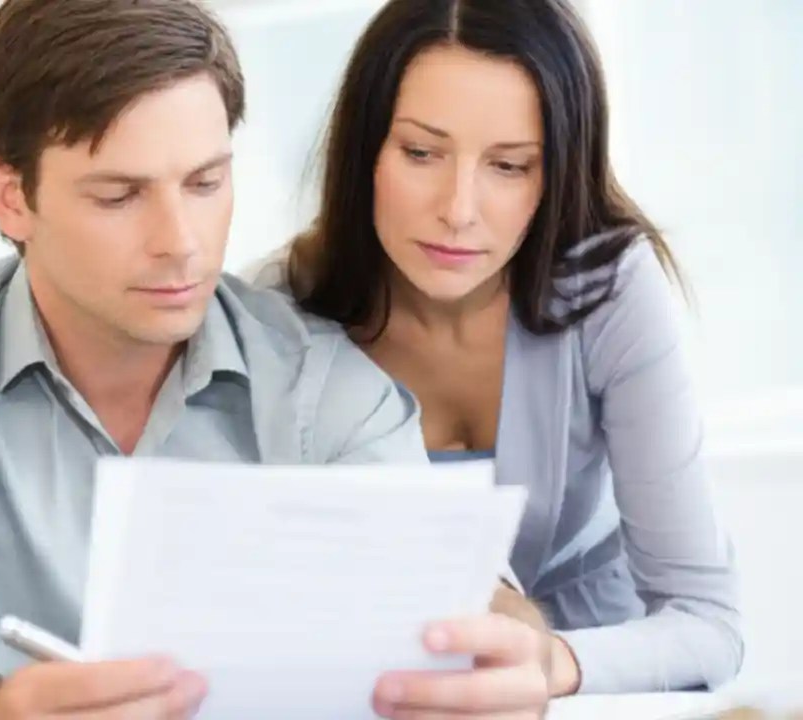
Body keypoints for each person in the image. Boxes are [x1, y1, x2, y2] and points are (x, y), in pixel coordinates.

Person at [0, 1, 564, 719]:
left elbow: (477, 603)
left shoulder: (320, 382)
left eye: (205, 183)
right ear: (9, 197)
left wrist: (512, 649)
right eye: (119, 195)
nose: (182, 244)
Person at [257, 0, 742, 696]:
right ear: (364, 149)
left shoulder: (610, 289)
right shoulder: (278, 313)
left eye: (510, 166)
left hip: (596, 681)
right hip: (385, 692)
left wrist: (545, 666)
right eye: (422, 153)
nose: (459, 209)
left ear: (557, 174)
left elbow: (709, 627)